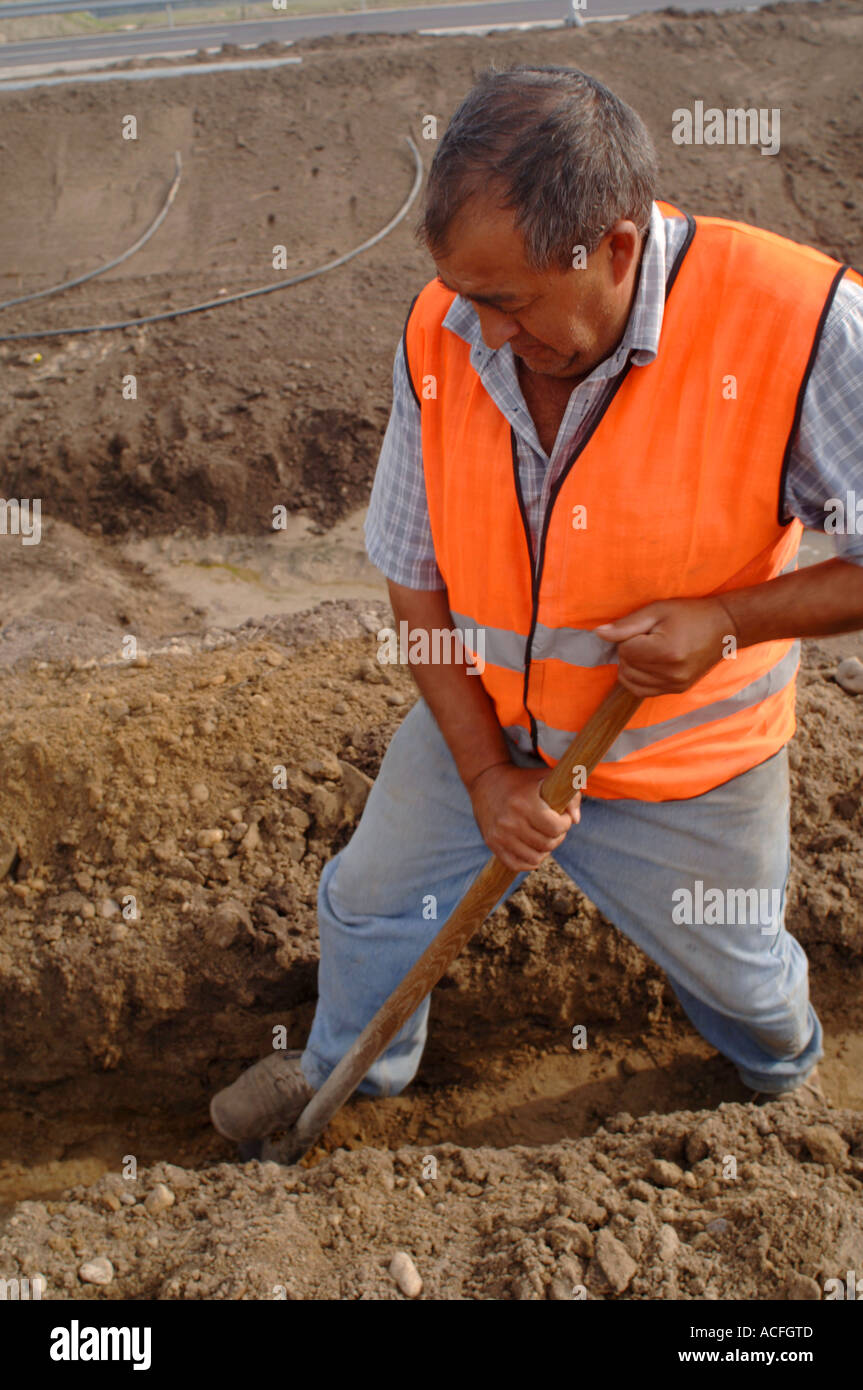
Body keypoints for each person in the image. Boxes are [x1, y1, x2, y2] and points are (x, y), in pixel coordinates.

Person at [210, 66, 863, 1146]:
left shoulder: (799, 327)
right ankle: (342, 1082)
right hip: (490, 721)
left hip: (681, 762)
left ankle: (780, 1092)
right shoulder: (444, 331)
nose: (481, 332)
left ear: (611, 248)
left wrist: (727, 622)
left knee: (744, 987)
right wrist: (480, 774)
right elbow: (412, 577)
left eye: (507, 300)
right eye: (466, 296)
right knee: (374, 899)